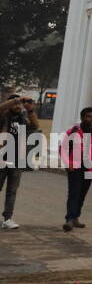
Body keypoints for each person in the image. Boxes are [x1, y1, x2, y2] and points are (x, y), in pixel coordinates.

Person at [60, 107, 92, 233]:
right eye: (88, 116)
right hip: (74, 167)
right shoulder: (73, 131)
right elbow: (62, 148)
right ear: (82, 118)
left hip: (89, 167)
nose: (91, 119)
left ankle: (76, 217)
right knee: (74, 193)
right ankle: (69, 219)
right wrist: (67, 162)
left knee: (82, 194)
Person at [1, 95, 39, 229]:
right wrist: (16, 100)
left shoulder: (23, 118)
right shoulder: (3, 117)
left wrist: (30, 110)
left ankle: (8, 218)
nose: (18, 106)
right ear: (10, 104)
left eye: (20, 104)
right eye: (15, 103)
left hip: (17, 160)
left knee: (12, 191)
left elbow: (35, 125)